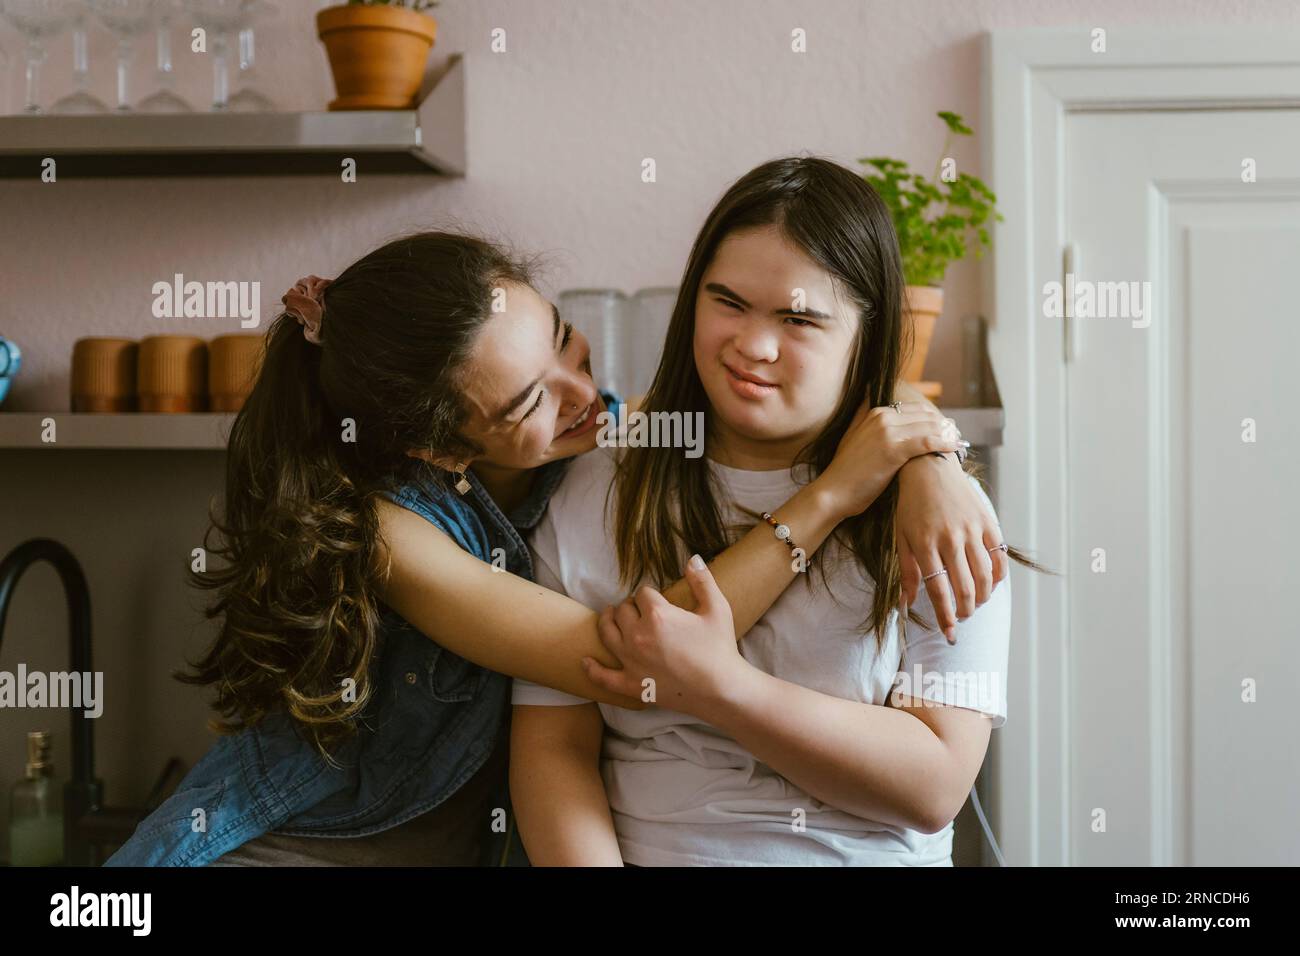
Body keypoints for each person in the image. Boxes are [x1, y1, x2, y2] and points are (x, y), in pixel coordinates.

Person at [105, 225, 1000, 867]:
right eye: (530, 401)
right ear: (442, 448)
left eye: (569, 345)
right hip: (301, 843)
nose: (587, 395)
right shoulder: (393, 535)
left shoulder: (591, 437)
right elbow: (628, 655)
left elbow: (820, 398)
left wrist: (933, 462)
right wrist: (832, 497)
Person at [510, 157, 1037, 866]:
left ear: (866, 337)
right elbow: (555, 752)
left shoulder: (939, 511)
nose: (752, 347)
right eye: (727, 302)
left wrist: (721, 689)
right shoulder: (598, 481)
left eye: (798, 319)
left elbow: (936, 781)